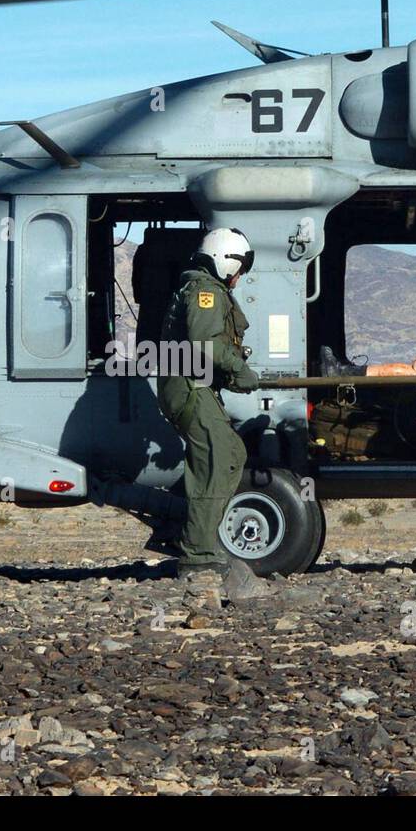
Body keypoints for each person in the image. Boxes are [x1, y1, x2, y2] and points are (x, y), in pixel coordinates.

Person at [157, 228, 259, 575]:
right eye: (240, 268)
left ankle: (185, 533)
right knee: (217, 460)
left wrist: (231, 374)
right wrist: (238, 369)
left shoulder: (203, 287)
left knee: (230, 454)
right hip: (190, 388)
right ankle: (197, 554)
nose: (239, 277)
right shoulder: (205, 291)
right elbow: (205, 342)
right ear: (226, 261)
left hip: (195, 386)